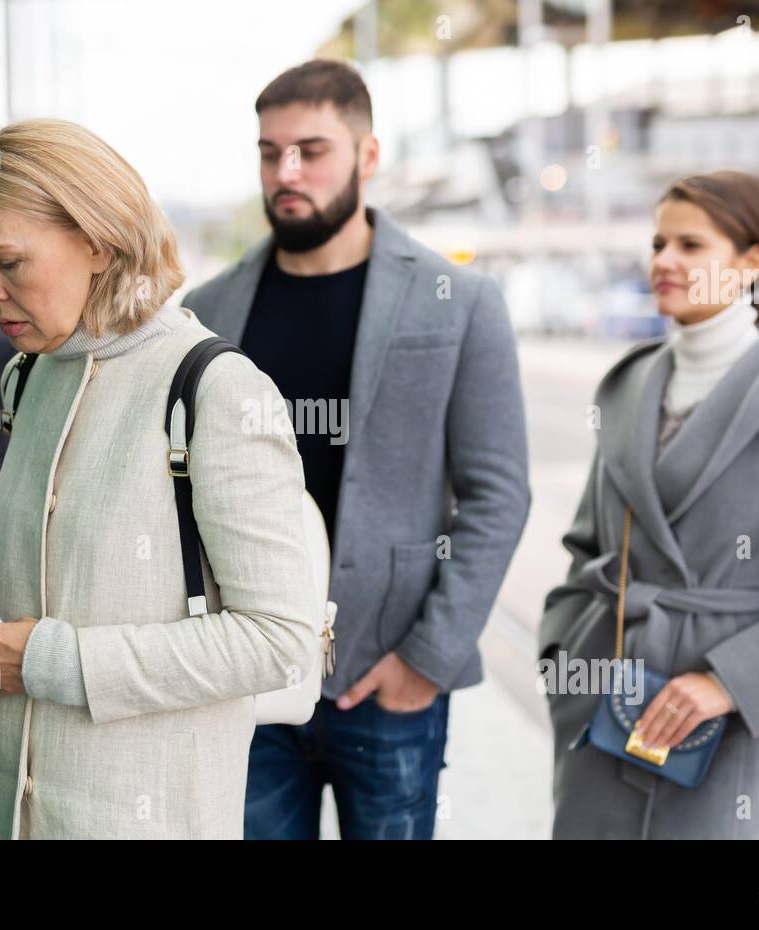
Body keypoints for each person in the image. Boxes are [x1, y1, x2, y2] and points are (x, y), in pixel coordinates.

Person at [0, 117, 318, 839]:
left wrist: (52, 661)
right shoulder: (32, 377)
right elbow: (68, 570)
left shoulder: (215, 389)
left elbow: (278, 639)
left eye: (8, 262)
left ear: (98, 240)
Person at [184, 59, 531, 840]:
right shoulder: (208, 309)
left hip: (387, 677)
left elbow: (499, 494)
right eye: (270, 153)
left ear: (369, 157)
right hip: (245, 681)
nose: (287, 171)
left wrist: (428, 660)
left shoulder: (459, 301)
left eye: (312, 149)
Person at [537, 170, 759, 839]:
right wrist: (562, 653)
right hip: (602, 697)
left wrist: (729, 684)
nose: (663, 260)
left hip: (720, 723)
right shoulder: (630, 382)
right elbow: (588, 544)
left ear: (752, 262)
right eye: (658, 242)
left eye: (690, 246)